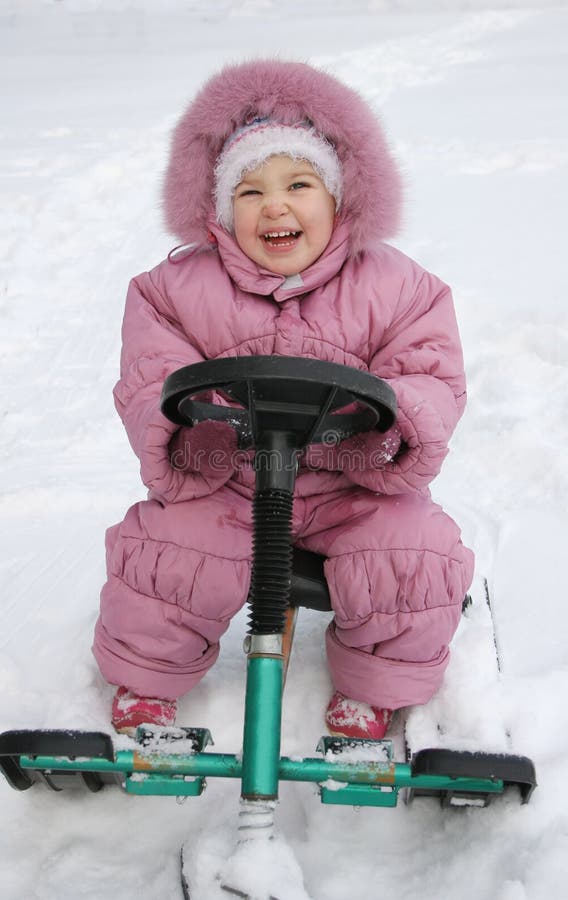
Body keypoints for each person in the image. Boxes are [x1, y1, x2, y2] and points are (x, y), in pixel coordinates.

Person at [93, 59, 475, 739]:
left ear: (341, 197)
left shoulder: (398, 287)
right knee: (168, 551)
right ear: (218, 210)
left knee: (413, 553)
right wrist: (191, 433)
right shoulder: (173, 291)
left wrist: (393, 425)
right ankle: (147, 675)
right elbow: (151, 377)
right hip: (230, 479)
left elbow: (430, 373)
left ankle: (376, 684)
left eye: (299, 184)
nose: (275, 206)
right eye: (249, 191)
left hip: (349, 483)